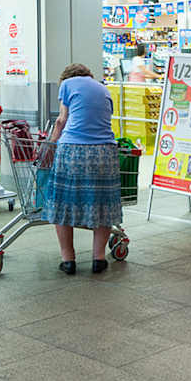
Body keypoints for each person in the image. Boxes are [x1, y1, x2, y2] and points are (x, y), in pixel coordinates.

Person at [43, 63, 122, 275]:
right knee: (102, 204)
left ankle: (68, 259)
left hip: (73, 151)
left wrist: (48, 148)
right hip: (105, 152)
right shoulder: (103, 88)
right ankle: (99, 259)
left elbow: (61, 120)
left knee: (63, 204)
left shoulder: (67, 84)